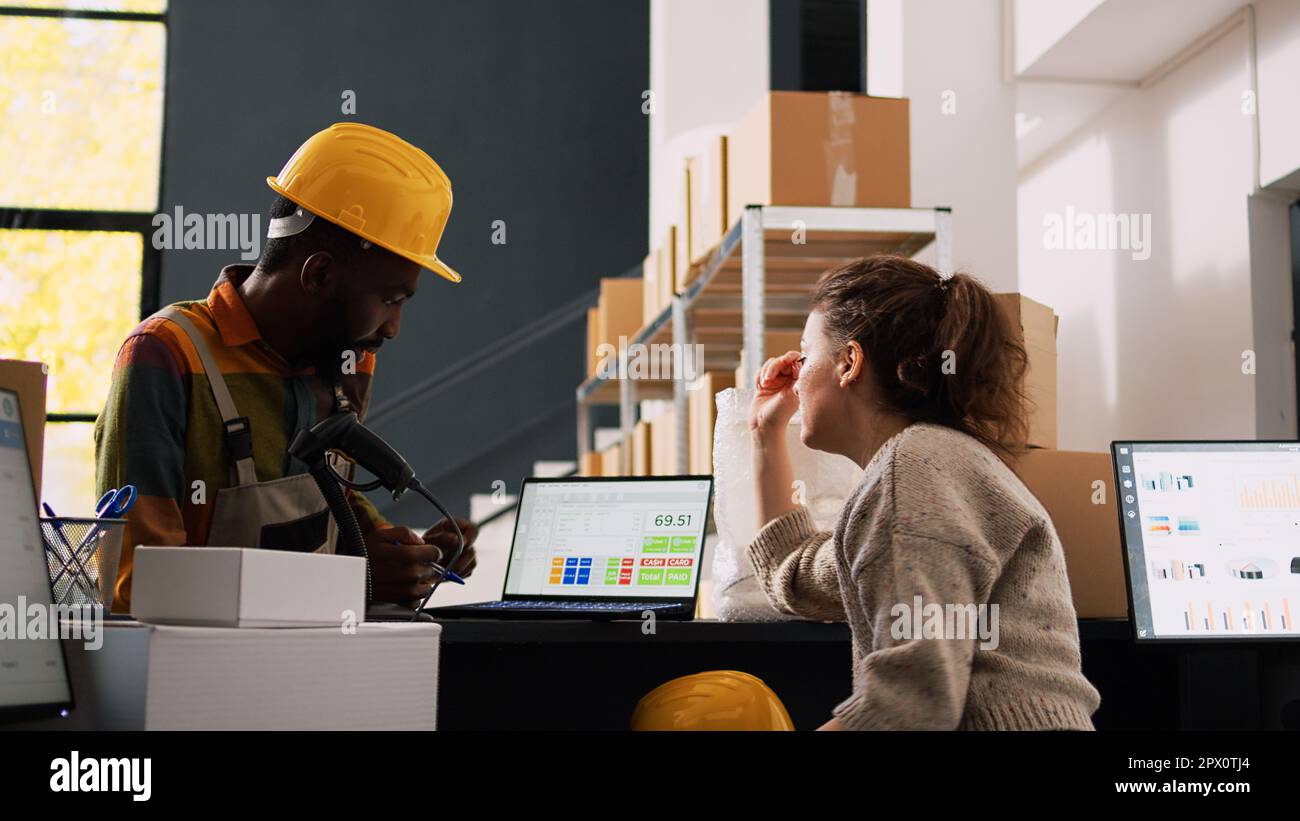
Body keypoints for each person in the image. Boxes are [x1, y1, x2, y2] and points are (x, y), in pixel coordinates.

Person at [96, 122, 477, 614]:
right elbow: (137, 585)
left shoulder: (346, 362)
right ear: (318, 273)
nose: (393, 328)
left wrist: (404, 553)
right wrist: (351, 585)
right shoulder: (166, 356)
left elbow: (329, 505)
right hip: (196, 682)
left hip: (309, 670)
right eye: (389, 300)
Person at [747, 254, 1100, 730]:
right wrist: (764, 433)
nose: (798, 371)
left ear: (849, 362)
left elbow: (913, 705)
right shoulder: (928, 464)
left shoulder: (913, 473)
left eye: (807, 354)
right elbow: (797, 578)